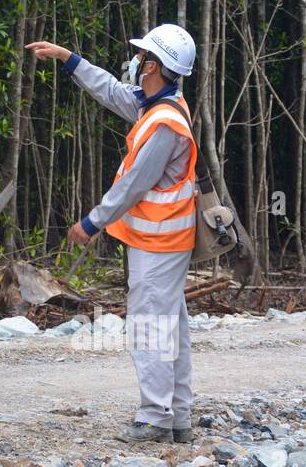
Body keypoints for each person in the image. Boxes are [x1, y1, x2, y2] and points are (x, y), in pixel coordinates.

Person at [28, 25, 200, 445]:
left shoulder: (163, 123)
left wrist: (91, 223)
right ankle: (177, 416)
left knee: (150, 325)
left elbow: (134, 184)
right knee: (169, 324)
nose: (135, 62)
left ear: (154, 65)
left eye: (142, 56)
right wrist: (69, 59)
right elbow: (110, 90)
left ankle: (155, 416)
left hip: (159, 243)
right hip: (163, 241)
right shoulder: (158, 104)